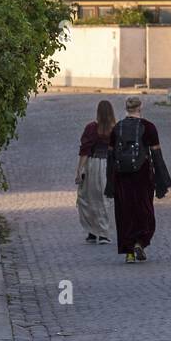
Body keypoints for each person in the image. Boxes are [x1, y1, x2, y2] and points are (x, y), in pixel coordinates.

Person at [105, 95, 171, 264]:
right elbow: (156, 155)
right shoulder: (148, 127)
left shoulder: (117, 128)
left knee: (125, 212)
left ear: (126, 108)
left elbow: (111, 156)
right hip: (142, 174)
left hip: (121, 175)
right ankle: (140, 242)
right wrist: (162, 181)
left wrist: (110, 182)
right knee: (144, 209)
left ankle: (128, 252)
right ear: (140, 107)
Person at [76, 100, 115, 244]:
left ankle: (93, 231)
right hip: (108, 165)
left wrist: (79, 170)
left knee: (87, 197)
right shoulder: (115, 129)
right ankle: (102, 232)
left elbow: (85, 151)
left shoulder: (91, 128)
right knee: (104, 199)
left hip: (93, 164)